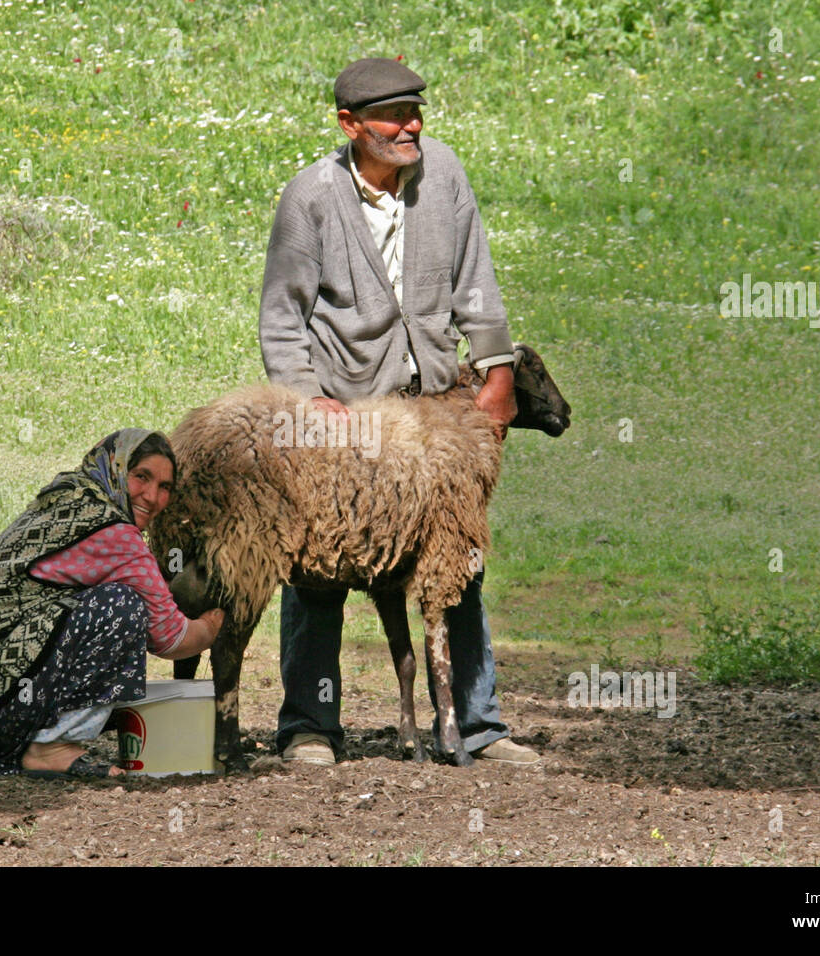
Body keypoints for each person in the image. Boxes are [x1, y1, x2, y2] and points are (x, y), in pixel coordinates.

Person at [259, 57, 539, 767]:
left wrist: (498, 366)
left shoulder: (442, 174)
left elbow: (476, 278)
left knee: (457, 563)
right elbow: (283, 317)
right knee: (318, 568)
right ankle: (309, 728)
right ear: (350, 125)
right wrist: (303, 400)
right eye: (393, 116)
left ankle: (478, 727)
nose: (411, 125)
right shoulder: (310, 200)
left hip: (433, 411)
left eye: (416, 111)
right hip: (346, 414)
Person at [0, 429, 225, 779]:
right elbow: (171, 638)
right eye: (141, 477)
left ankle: (8, 748)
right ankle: (53, 749)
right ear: (116, 467)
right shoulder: (114, 533)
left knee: (105, 617)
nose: (153, 496)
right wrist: (214, 623)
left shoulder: (69, 499)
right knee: (121, 607)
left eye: (165, 487)